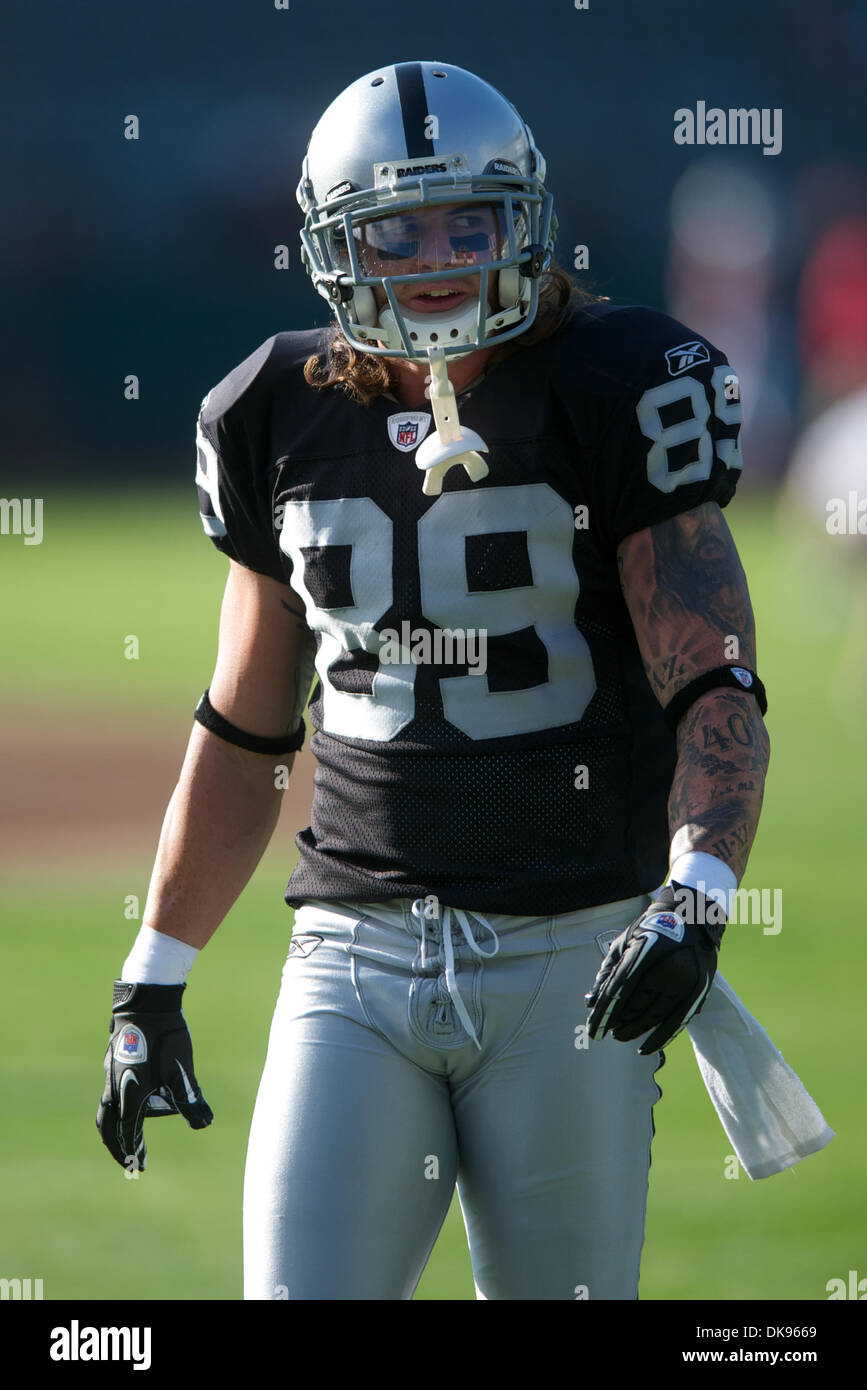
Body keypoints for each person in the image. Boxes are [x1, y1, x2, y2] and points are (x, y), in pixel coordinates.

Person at [97, 60, 775, 1300]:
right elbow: (247, 730)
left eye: (472, 217)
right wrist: (155, 971)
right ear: (332, 245)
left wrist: (698, 892)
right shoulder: (271, 411)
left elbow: (712, 685)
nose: (443, 255)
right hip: (353, 949)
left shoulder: (620, 382)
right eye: (399, 229)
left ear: (526, 218)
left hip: (575, 952)